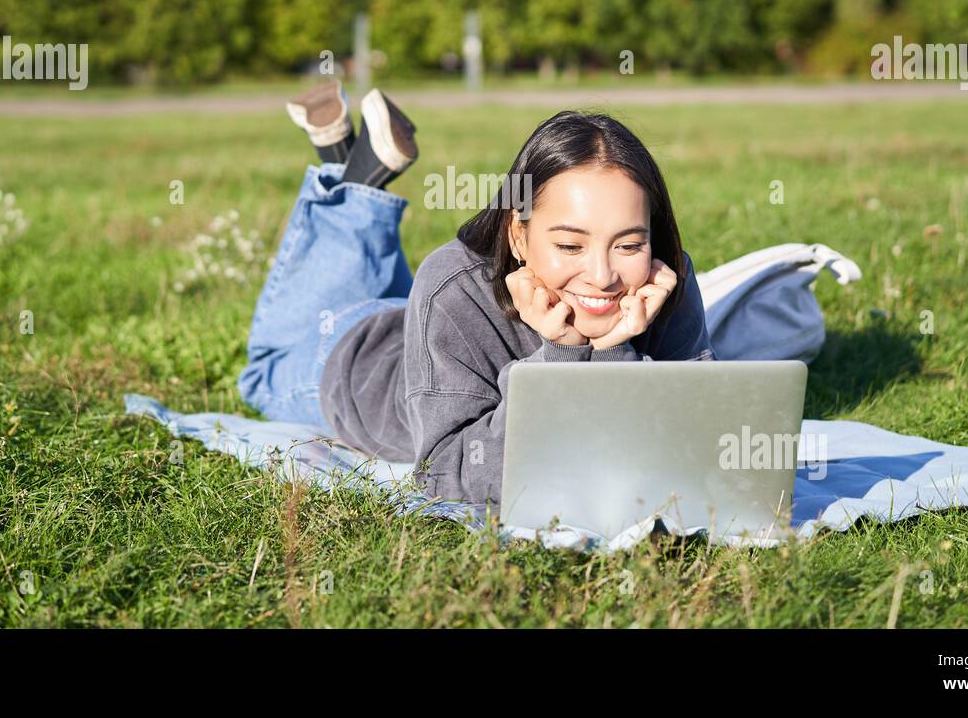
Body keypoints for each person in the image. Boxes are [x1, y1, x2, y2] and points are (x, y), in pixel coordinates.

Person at [238, 79, 717, 506]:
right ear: (518, 236)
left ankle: (349, 162)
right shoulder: (451, 286)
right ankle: (350, 177)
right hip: (348, 358)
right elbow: (448, 473)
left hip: (421, 325)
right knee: (259, 375)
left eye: (629, 243)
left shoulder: (661, 276)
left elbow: (691, 441)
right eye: (570, 244)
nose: (603, 276)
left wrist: (614, 352)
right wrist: (561, 358)